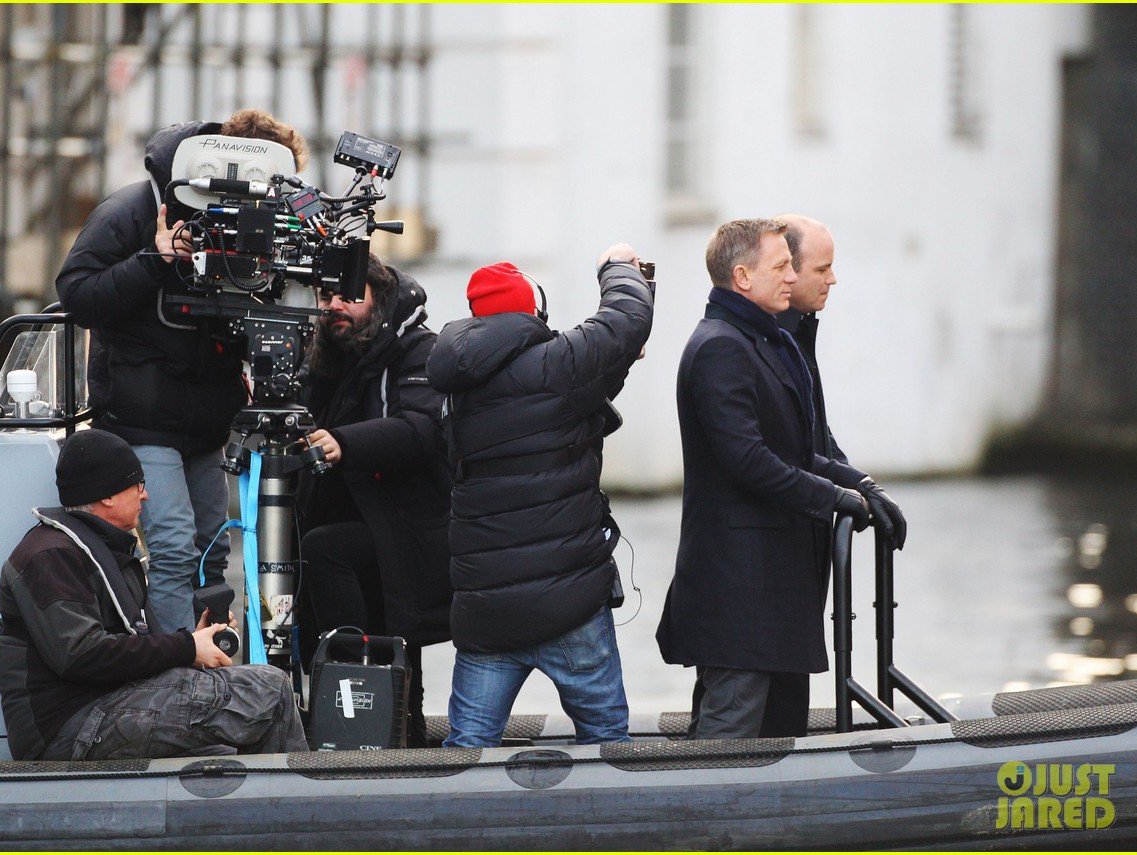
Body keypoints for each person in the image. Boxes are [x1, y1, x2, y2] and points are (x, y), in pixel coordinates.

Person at [56, 109, 308, 635]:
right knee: (172, 545)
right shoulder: (132, 209)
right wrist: (156, 257)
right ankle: (178, 677)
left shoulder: (243, 224)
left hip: (205, 419)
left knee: (212, 552)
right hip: (141, 414)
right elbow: (78, 294)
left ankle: (212, 669)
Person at [656, 218, 877, 740]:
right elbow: (748, 461)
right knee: (727, 743)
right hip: (740, 600)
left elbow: (801, 450)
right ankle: (705, 825)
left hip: (774, 599)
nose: (791, 276)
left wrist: (862, 487)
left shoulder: (765, 341)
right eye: (780, 267)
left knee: (781, 739)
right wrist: (836, 499)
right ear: (742, 278)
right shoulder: (720, 346)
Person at [427, 245, 654, 748]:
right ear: (533, 310)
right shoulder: (559, 367)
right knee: (608, 746)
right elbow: (628, 316)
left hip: (486, 612)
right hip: (569, 604)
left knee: (466, 753)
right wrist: (616, 266)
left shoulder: (452, 386)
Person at [0, 429, 308, 761]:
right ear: (108, 495)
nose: (145, 496)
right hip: (69, 729)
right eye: (138, 485)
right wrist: (186, 647)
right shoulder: (48, 555)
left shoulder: (109, 552)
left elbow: (141, 648)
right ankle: (300, 801)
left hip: (108, 708)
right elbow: (80, 655)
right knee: (270, 690)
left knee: (225, 752)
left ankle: (270, 803)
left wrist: (196, 638)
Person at [295, 252, 453, 747]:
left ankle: (360, 695)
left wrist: (345, 441)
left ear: (380, 302)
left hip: (410, 522)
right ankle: (385, 719)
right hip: (360, 516)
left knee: (328, 551)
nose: (334, 306)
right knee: (327, 554)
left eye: (348, 296)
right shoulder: (328, 357)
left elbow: (422, 429)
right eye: (326, 296)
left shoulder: (419, 350)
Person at [775, 213, 907, 600]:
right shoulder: (776, 340)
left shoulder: (796, 332)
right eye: (823, 268)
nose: (832, 279)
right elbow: (790, 452)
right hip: (778, 570)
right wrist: (850, 490)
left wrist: (860, 483)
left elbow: (816, 437)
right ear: (790, 272)